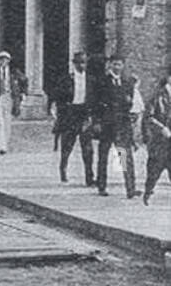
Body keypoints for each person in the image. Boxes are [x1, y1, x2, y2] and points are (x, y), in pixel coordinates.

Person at [95, 55, 138, 198]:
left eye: (119, 64)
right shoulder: (102, 82)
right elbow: (95, 102)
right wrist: (97, 122)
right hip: (106, 125)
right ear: (109, 65)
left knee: (124, 157)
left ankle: (130, 188)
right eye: (114, 64)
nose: (116, 67)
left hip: (122, 125)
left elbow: (131, 103)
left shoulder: (127, 83)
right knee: (103, 156)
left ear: (123, 66)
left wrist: (131, 114)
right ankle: (102, 186)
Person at [51, 51, 95, 185]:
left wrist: (90, 115)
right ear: (74, 64)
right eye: (79, 62)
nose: (82, 65)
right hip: (70, 113)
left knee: (88, 148)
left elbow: (93, 99)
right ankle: (63, 170)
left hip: (84, 113)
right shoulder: (66, 79)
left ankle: (89, 177)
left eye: (84, 62)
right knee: (67, 146)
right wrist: (62, 114)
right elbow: (59, 98)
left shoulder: (91, 80)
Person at [0, 50, 26, 154]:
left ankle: (5, 144)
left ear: (8, 61)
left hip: (10, 97)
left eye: (5, 59)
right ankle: (1, 146)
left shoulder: (14, 72)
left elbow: (24, 81)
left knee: (7, 121)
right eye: (0, 59)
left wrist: (22, 93)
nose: (2, 61)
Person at [142, 74, 171, 205]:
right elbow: (148, 117)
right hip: (160, 142)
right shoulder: (157, 95)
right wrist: (162, 128)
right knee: (154, 170)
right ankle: (147, 194)